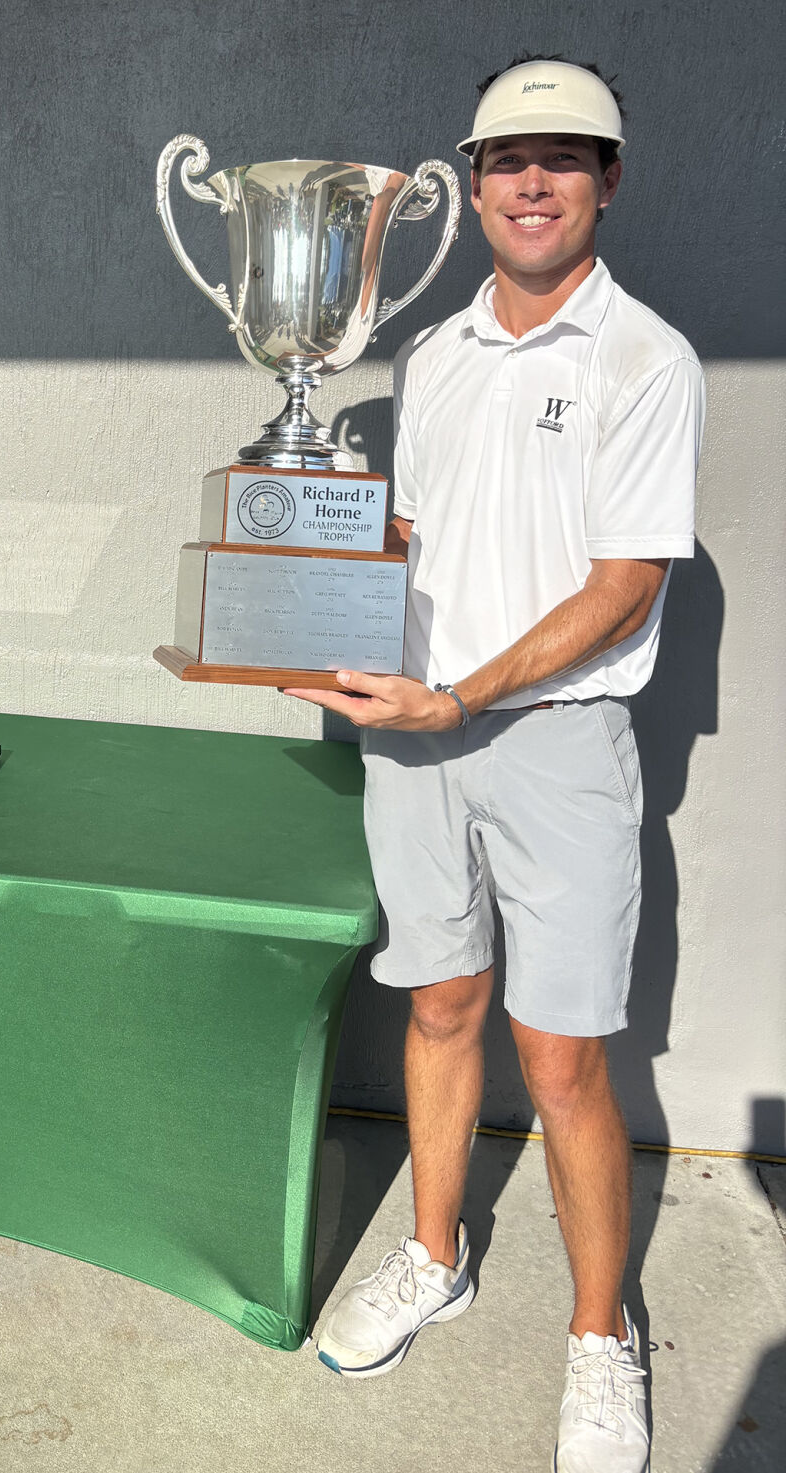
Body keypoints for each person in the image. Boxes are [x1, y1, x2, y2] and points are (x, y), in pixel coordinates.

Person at [286, 55, 703, 1473]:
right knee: (442, 1002)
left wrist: (458, 692)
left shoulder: (646, 360)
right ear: (470, 185)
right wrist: (301, 597)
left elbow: (625, 587)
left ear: (609, 179)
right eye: (506, 158)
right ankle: (433, 1251)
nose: (532, 182)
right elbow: (411, 547)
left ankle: (600, 1336)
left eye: (565, 157)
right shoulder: (434, 358)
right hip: (418, 736)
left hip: (553, 743)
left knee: (567, 1056)